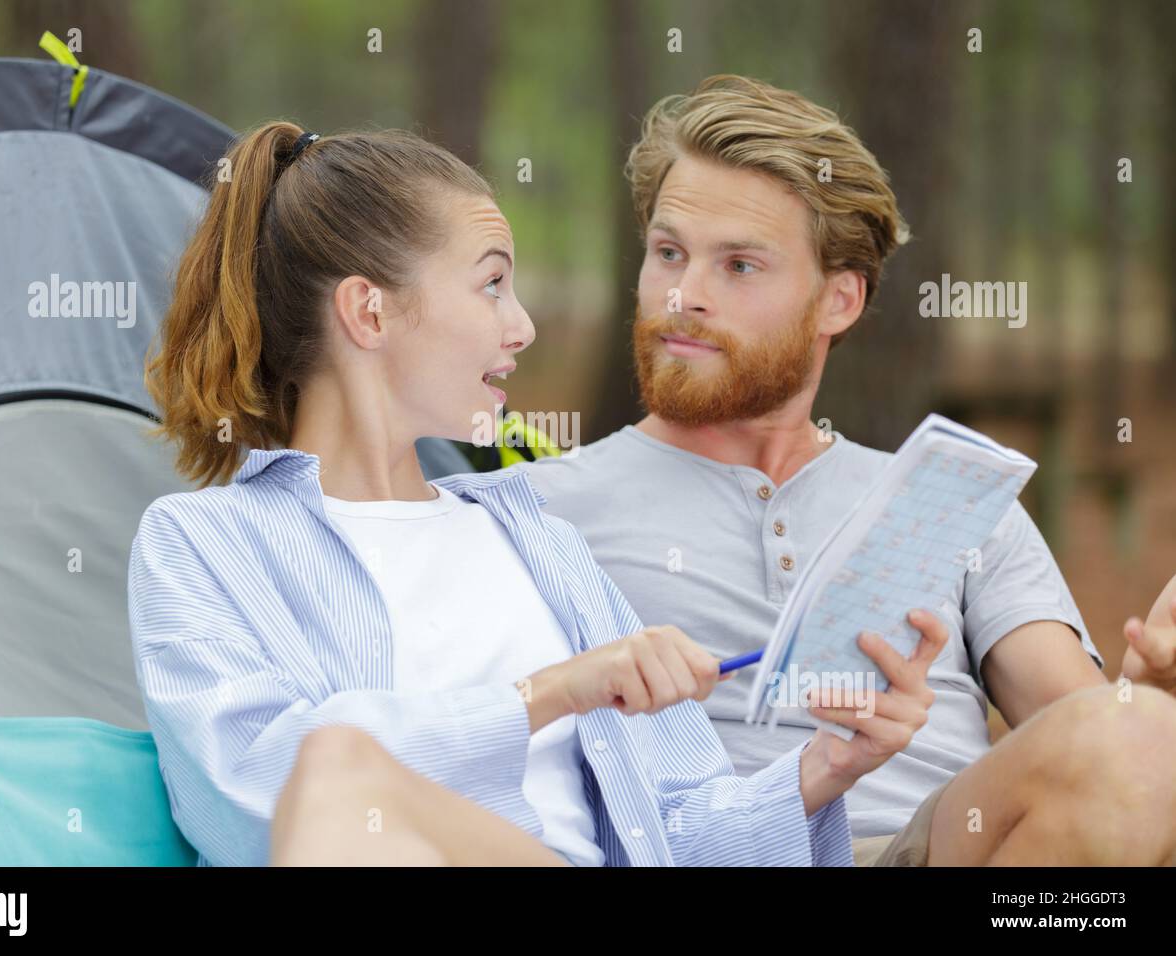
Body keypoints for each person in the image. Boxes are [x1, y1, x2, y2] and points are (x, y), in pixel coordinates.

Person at [126, 122, 947, 867]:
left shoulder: (533, 539)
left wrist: (822, 769)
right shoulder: (203, 542)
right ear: (367, 312)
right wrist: (555, 691)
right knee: (341, 770)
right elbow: (253, 799)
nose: (520, 327)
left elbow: (677, 836)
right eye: (491, 285)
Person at [513, 75, 1176, 865]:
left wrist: (1152, 698)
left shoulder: (955, 500)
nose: (683, 295)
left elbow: (1091, 747)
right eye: (669, 253)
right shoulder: (540, 509)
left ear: (839, 301)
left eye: (740, 266)